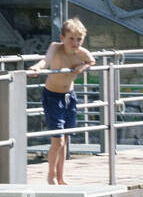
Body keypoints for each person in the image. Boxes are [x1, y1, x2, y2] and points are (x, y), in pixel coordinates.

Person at [29, 17, 95, 185]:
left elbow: (92, 61)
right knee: (57, 139)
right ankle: (50, 175)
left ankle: (60, 176)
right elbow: (46, 60)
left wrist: (82, 67)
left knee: (65, 140)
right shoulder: (55, 48)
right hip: (53, 95)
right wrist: (37, 67)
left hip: (69, 96)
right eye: (71, 38)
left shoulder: (82, 53)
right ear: (62, 38)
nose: (75, 43)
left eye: (79, 39)